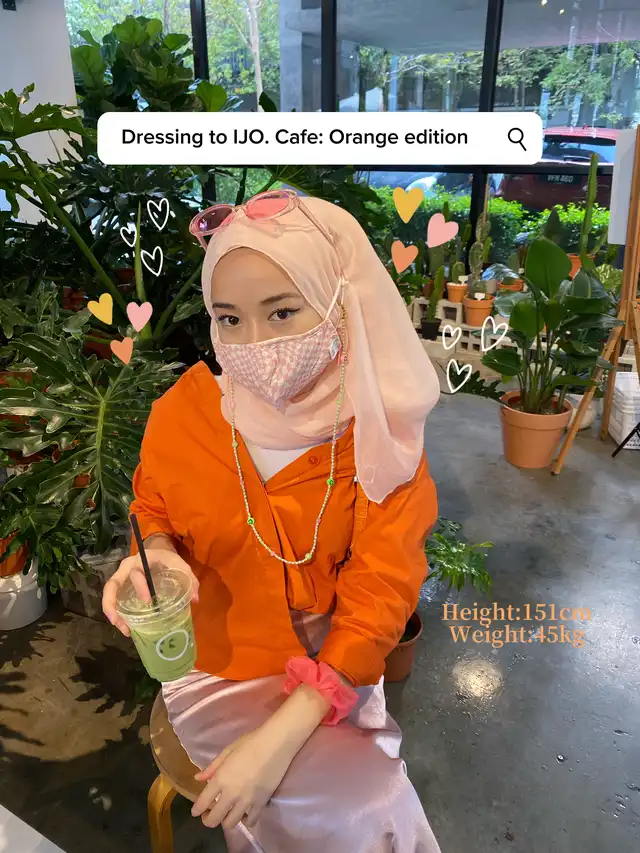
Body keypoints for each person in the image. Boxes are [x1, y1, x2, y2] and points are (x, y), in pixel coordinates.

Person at [103, 189, 442, 853]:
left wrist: (279, 739)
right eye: (228, 318)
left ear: (339, 302)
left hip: (334, 658)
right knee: (344, 810)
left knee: (367, 805)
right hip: (218, 660)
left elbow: (382, 590)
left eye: (282, 311)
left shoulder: (380, 435)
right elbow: (154, 508)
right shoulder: (185, 413)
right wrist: (159, 553)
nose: (254, 343)